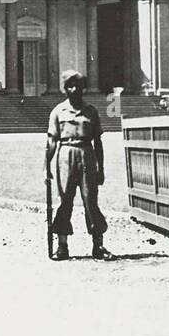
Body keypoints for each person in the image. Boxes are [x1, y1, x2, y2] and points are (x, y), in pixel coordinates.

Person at [44, 69, 111, 260]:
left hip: (86, 154)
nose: (74, 89)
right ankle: (62, 246)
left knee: (91, 200)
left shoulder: (91, 111)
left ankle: (98, 246)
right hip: (65, 155)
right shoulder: (58, 111)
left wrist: (101, 168)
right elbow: (51, 141)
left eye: (78, 86)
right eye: (69, 86)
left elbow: (98, 142)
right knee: (64, 201)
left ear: (83, 88)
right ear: (64, 89)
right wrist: (46, 166)